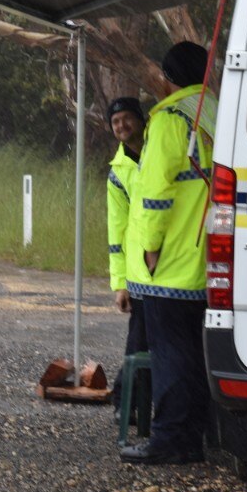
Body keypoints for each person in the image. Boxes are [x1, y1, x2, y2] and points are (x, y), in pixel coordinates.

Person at [120, 41, 217, 465]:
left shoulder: (169, 119)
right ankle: (197, 436)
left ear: (167, 78)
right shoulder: (215, 111)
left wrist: (151, 250)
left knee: (172, 355)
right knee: (197, 354)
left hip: (172, 262)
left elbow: (156, 194)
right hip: (206, 256)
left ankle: (171, 440)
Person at [105, 96, 148, 414]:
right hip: (138, 271)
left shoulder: (159, 151)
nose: (121, 126)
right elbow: (116, 233)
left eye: (126, 119)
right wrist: (120, 283)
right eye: (115, 122)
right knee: (139, 338)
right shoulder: (117, 173)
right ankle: (125, 400)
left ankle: (131, 398)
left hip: (173, 262)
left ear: (141, 119)